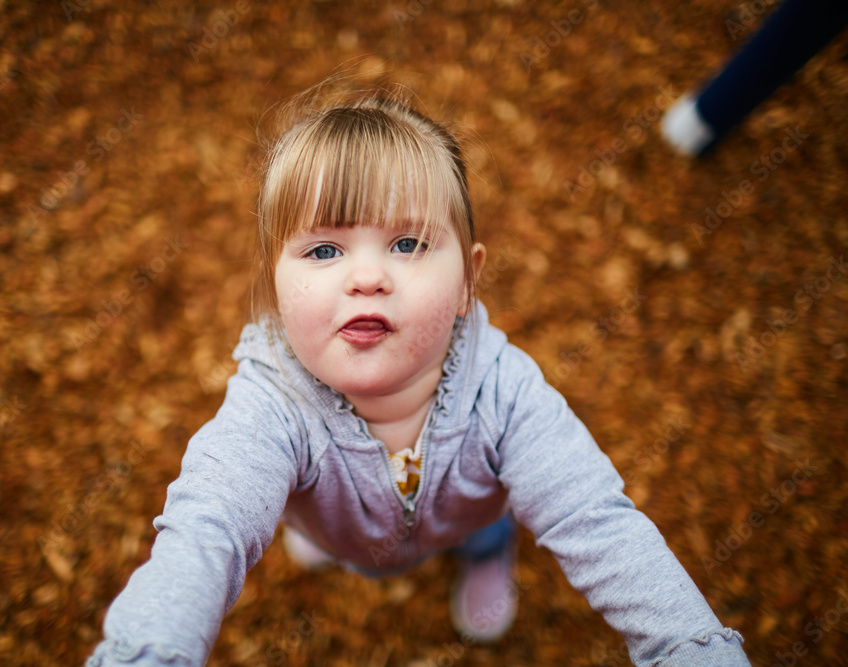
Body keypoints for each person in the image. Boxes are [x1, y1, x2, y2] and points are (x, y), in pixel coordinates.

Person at [87, 87, 751, 666]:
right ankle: (323, 536)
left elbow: (596, 518)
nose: (368, 275)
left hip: (465, 518)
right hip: (337, 522)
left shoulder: (505, 394)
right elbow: (208, 530)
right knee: (308, 523)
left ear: (468, 278)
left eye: (408, 243)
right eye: (324, 248)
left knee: (490, 527)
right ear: (274, 288)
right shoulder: (272, 409)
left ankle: (488, 558)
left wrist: (692, 648)